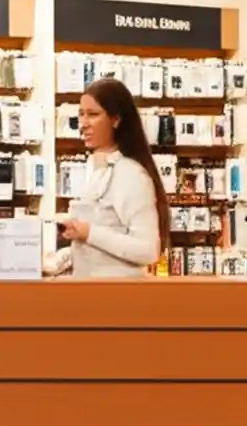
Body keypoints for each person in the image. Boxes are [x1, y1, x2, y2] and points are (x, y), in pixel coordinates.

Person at [47, 78, 171, 277]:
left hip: (119, 298)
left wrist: (88, 232)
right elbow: (102, 251)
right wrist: (62, 257)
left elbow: (147, 250)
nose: (83, 124)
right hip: (93, 296)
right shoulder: (98, 171)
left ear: (116, 119)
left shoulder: (131, 175)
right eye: (81, 115)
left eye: (93, 115)